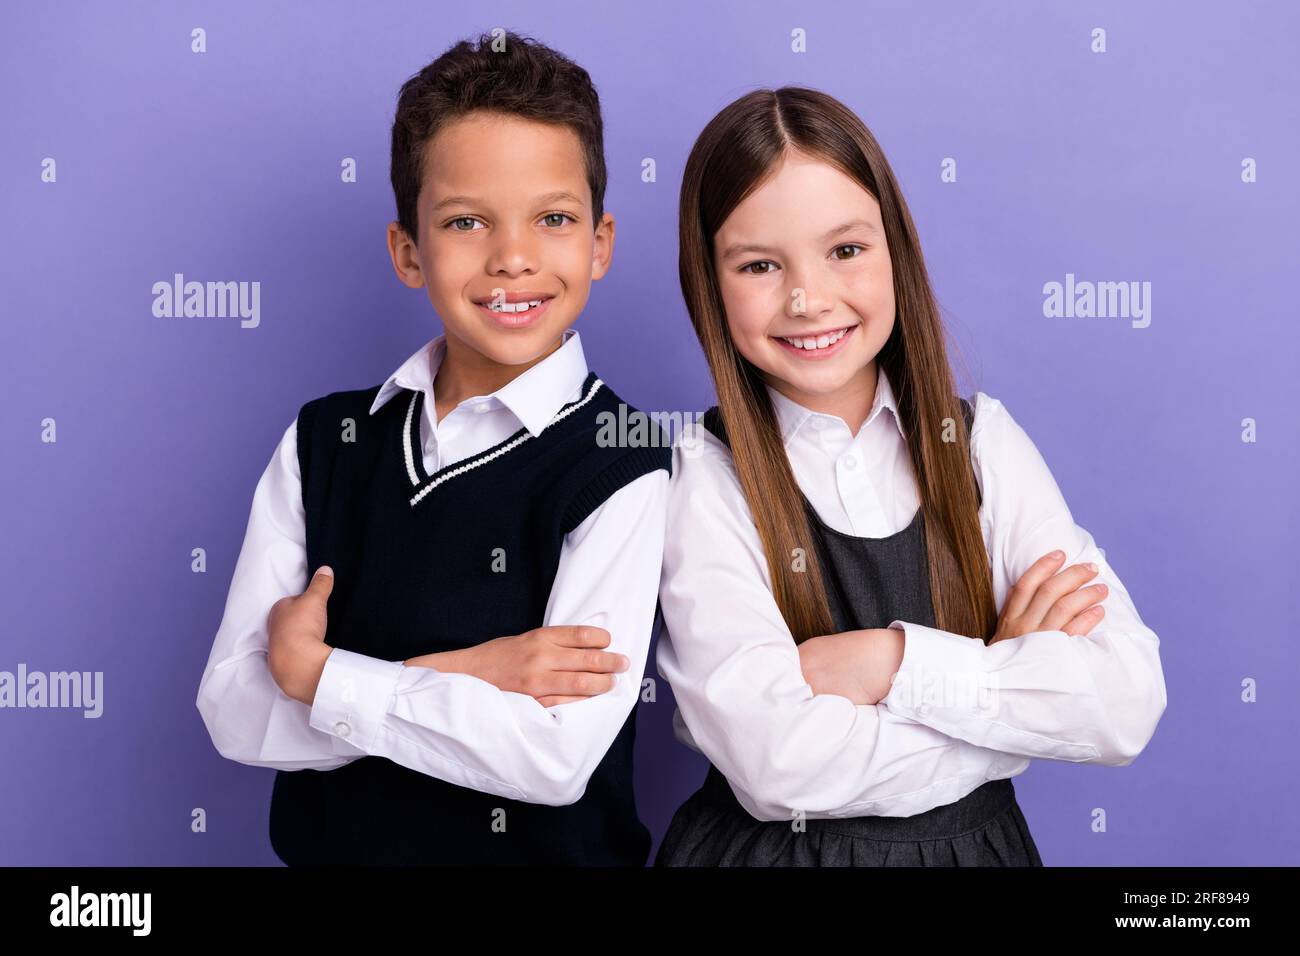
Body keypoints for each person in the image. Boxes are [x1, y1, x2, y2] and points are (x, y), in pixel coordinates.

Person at [654, 86, 1168, 866]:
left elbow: (1123, 704)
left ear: (895, 247)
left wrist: (889, 663)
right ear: (708, 282)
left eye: (846, 250)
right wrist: (1004, 687)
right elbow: (777, 764)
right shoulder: (701, 474)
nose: (807, 298)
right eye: (759, 264)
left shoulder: (981, 445)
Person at [196, 30, 671, 866]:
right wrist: (471, 670)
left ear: (600, 242)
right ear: (409, 251)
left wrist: (316, 674)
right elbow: (233, 712)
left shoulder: (623, 459)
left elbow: (551, 756)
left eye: (553, 219)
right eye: (466, 221)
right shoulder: (324, 444)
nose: (513, 257)